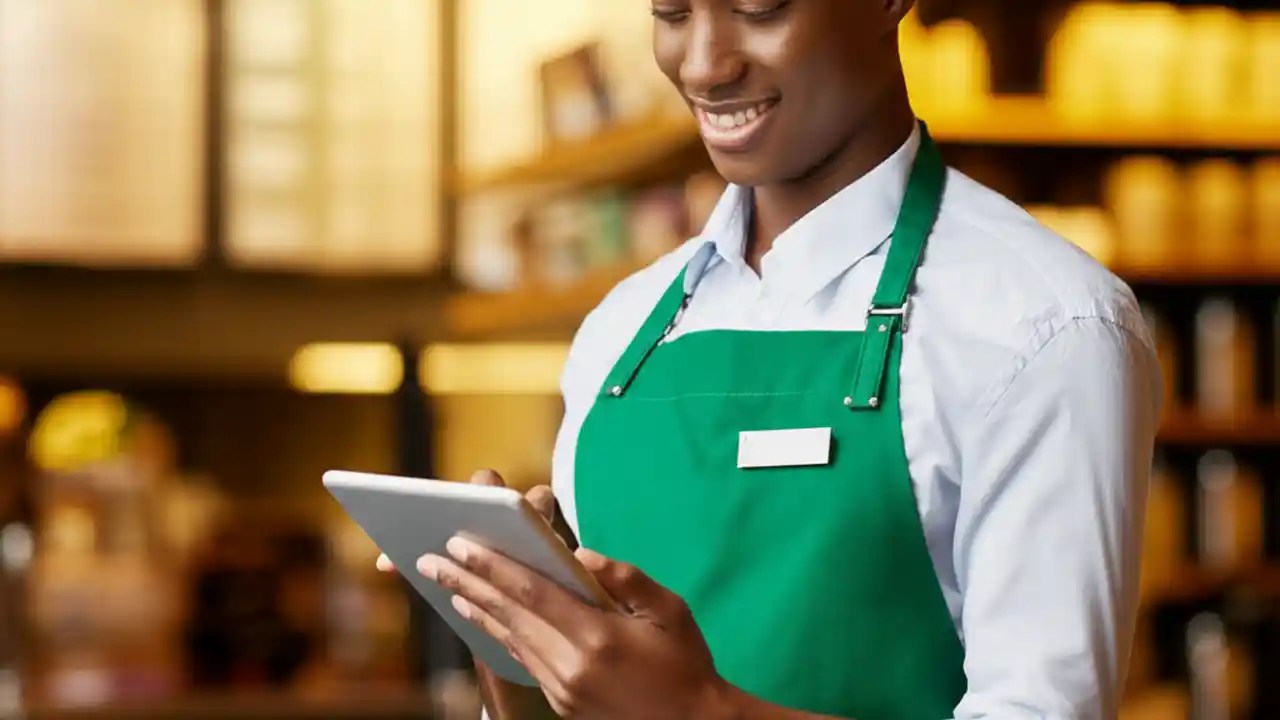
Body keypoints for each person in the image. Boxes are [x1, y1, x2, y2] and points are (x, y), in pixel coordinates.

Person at [399, 0, 1162, 717]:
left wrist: (705, 710)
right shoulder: (617, 331)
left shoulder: (1045, 326)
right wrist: (513, 635)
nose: (703, 65)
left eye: (760, 7)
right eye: (672, 12)